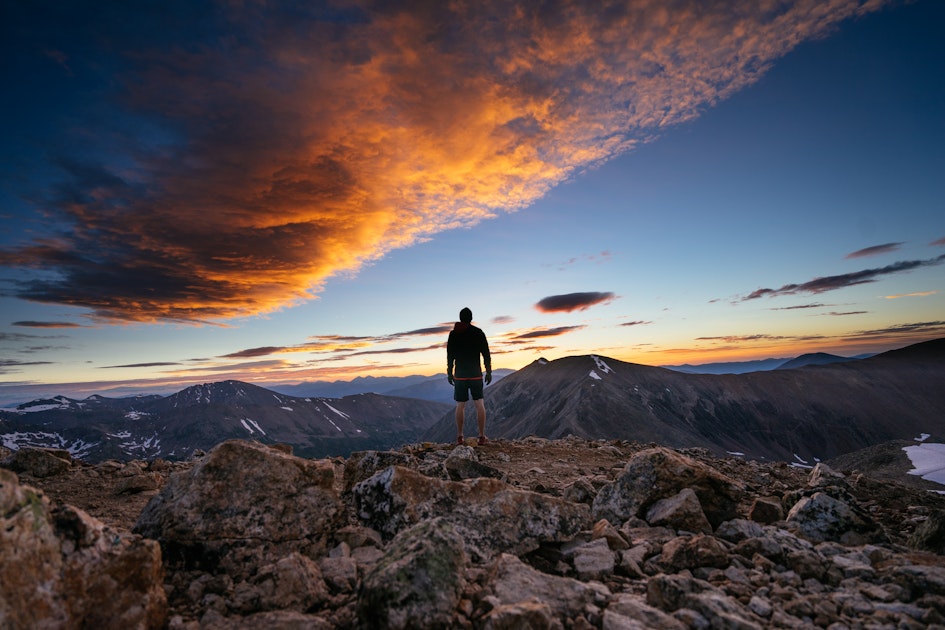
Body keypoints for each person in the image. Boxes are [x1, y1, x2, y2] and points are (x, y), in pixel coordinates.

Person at [446, 307, 492, 445]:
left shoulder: (453, 334)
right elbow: (486, 353)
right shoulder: (478, 333)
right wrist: (488, 371)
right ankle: (482, 436)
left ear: (460, 318)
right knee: (479, 404)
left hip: (460, 375)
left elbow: (450, 355)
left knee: (460, 405)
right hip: (475, 374)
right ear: (471, 318)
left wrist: (449, 372)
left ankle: (460, 436)